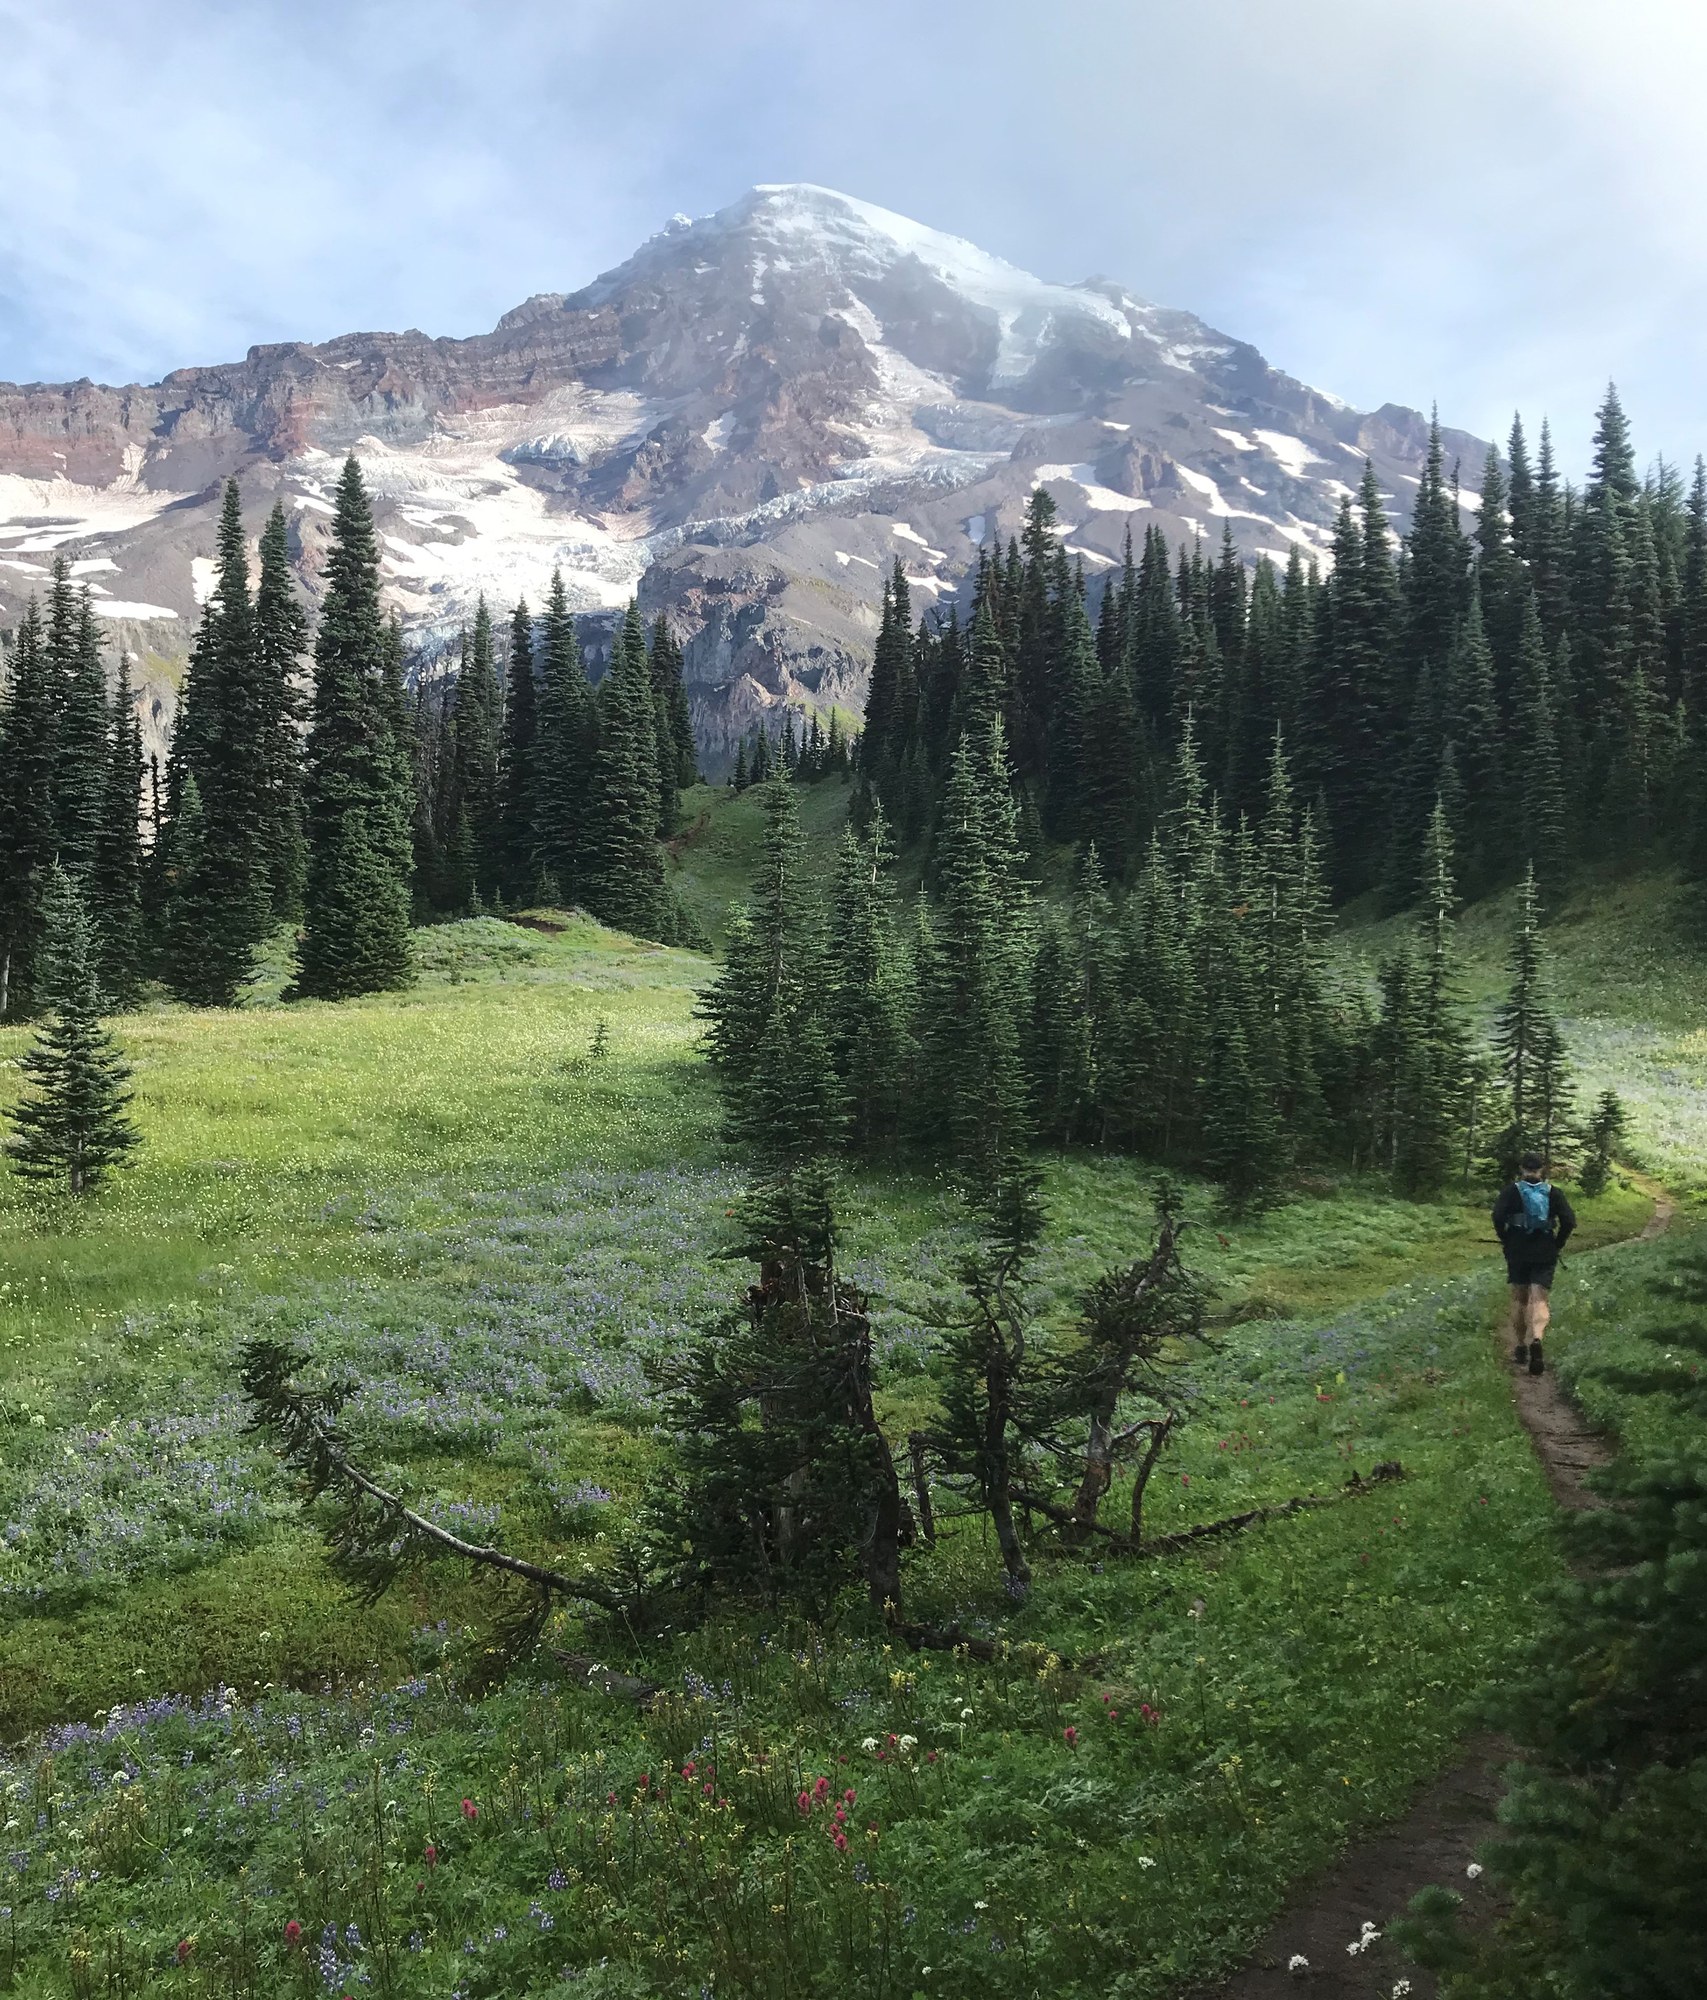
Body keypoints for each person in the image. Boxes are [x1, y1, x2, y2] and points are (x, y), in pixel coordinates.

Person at [1492, 1151, 1576, 1376]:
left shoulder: (1511, 1191)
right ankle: (1537, 1338)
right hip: (1545, 1249)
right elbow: (1569, 1221)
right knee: (1540, 1299)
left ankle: (1520, 1346)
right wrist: (1557, 1243)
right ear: (1542, 1169)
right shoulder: (1553, 1193)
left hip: (1517, 1248)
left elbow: (1498, 1216)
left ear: (1522, 1168)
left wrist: (1506, 1238)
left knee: (1519, 1298)